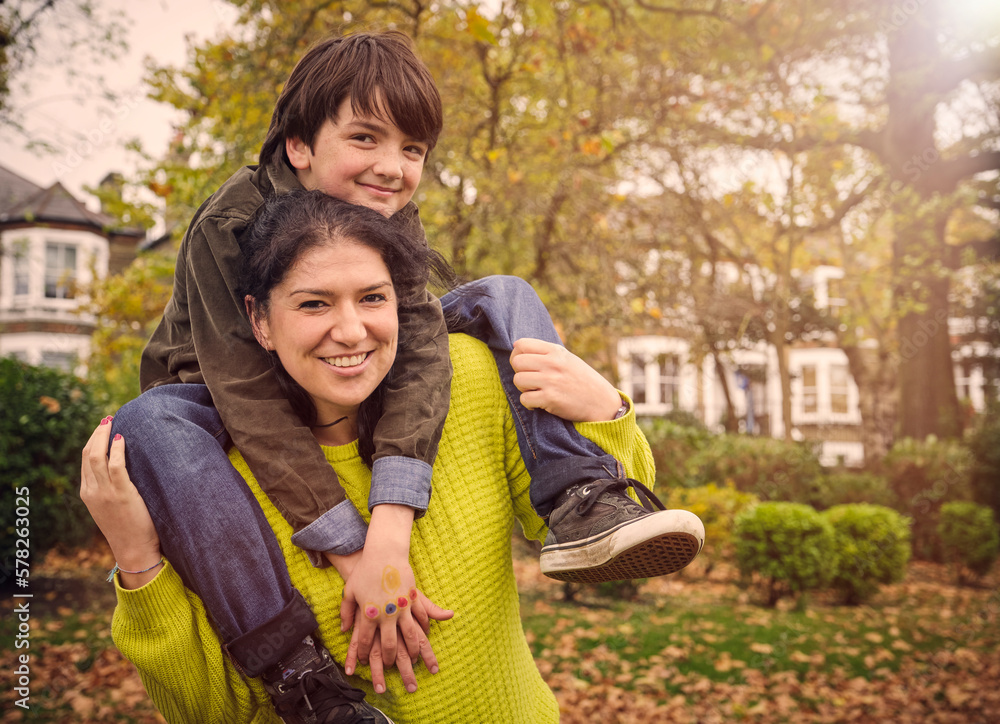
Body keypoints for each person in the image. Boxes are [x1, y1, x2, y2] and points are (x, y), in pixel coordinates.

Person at [104, 30, 704, 722]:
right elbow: (248, 396)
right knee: (148, 422)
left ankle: (581, 495)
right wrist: (347, 551)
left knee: (503, 294)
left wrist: (605, 407)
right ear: (299, 147)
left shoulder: (390, 230)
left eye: (412, 149)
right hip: (212, 396)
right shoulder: (227, 227)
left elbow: (420, 348)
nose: (392, 167)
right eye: (365, 139)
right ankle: (305, 683)